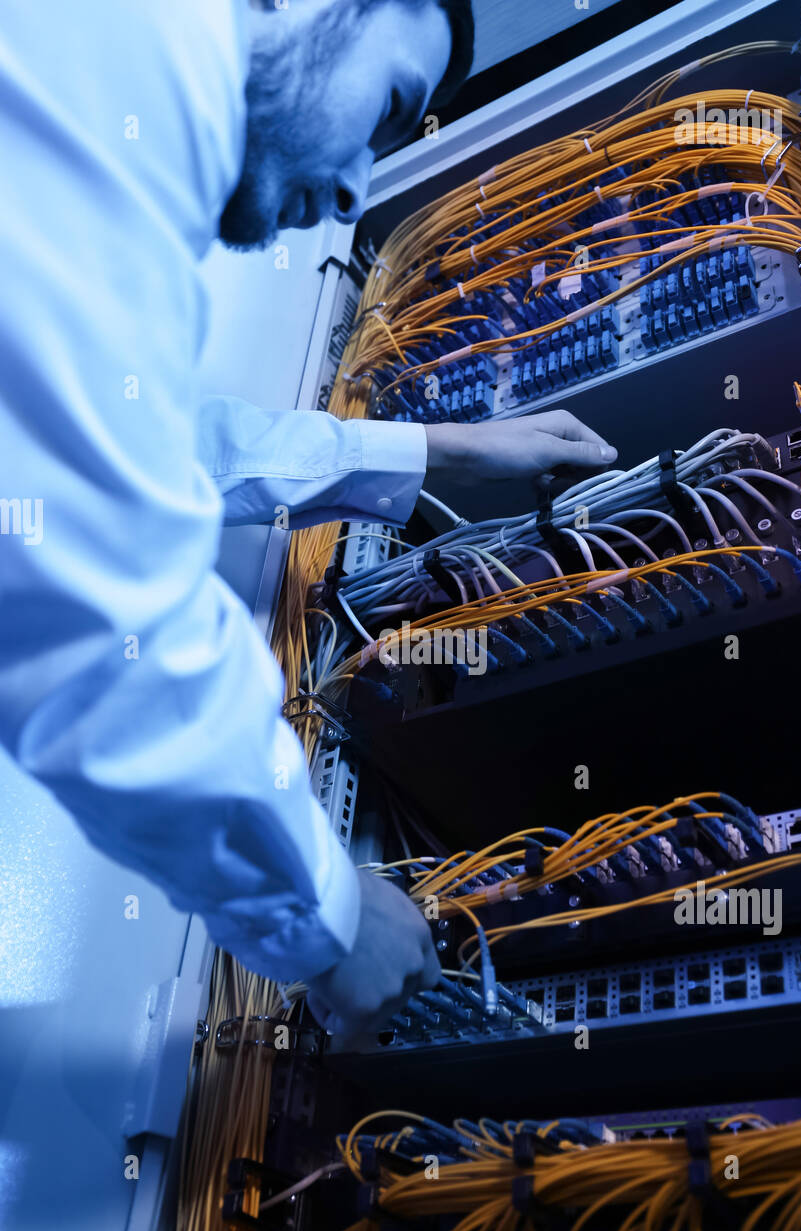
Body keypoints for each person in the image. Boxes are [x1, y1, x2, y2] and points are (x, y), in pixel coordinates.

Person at [0, 0, 616, 1039]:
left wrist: (442, 448)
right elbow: (97, 601)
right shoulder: (138, 69)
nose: (352, 191)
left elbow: (159, 442)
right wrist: (326, 915)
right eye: (389, 106)